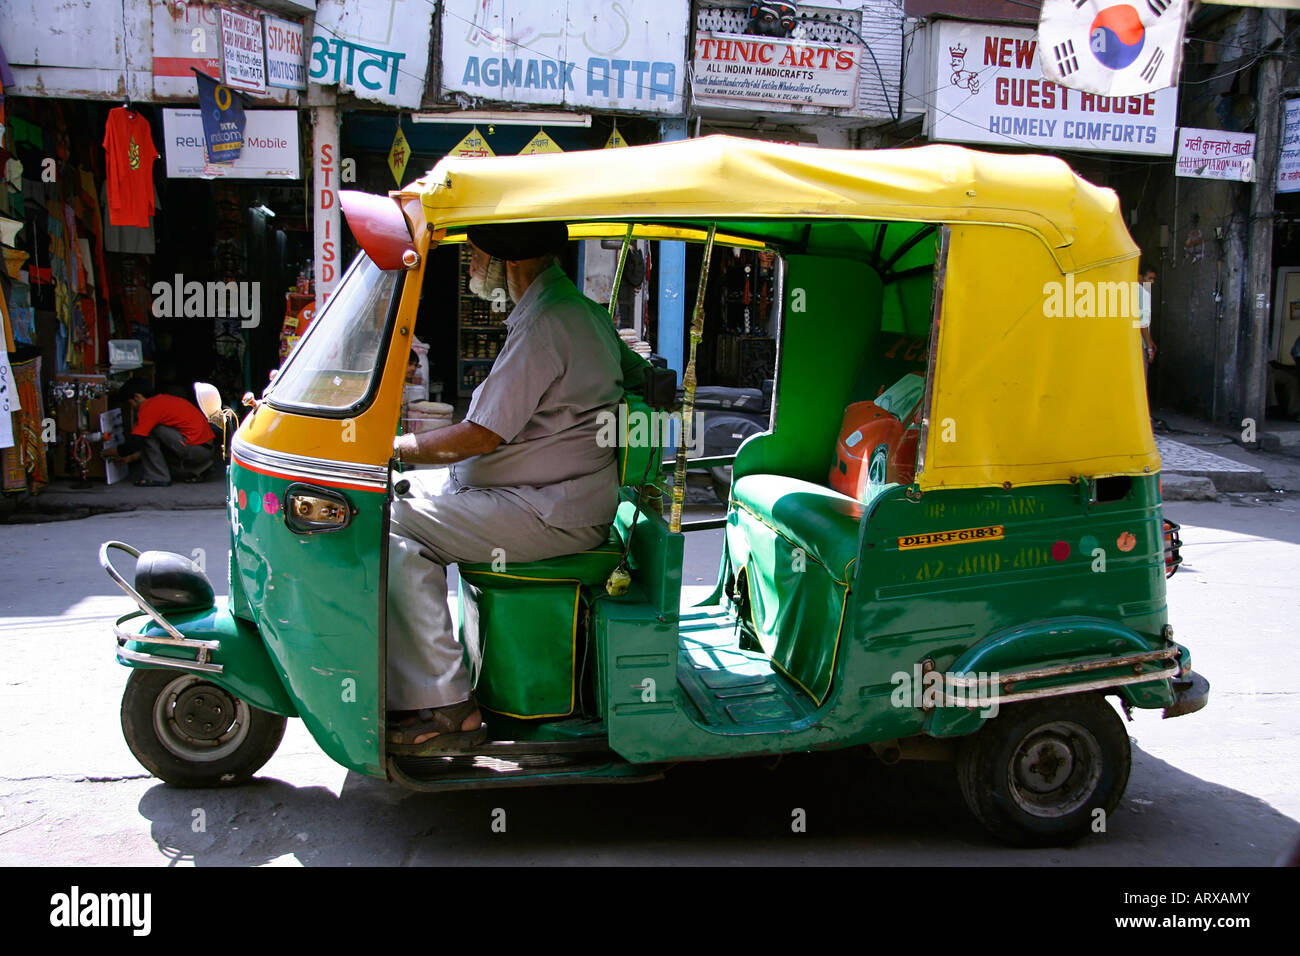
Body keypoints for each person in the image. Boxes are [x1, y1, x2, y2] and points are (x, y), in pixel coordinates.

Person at [385, 221, 647, 752]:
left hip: (548, 509)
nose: (472, 268)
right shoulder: (578, 312)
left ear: (503, 259)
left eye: (476, 257)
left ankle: (446, 704)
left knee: (391, 522)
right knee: (405, 496)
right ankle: (433, 673)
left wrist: (392, 448)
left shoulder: (548, 324)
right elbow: (642, 378)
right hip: (549, 496)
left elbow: (478, 437)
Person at [108, 379, 217, 487]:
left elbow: (137, 441)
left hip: (197, 449)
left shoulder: (149, 407)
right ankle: (201, 468)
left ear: (137, 397)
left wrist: (113, 452)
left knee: (149, 431)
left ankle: (157, 477)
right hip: (205, 448)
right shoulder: (163, 400)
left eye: (129, 403)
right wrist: (131, 458)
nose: (131, 407)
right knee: (151, 435)